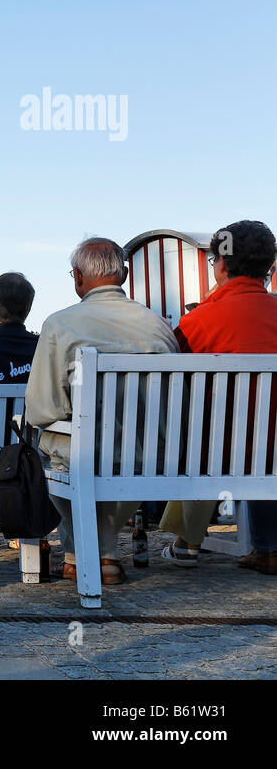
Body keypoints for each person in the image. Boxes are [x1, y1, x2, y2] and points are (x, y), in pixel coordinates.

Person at [25, 237, 178, 585]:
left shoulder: (61, 324)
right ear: (122, 274)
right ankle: (105, 553)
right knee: (114, 450)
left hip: (87, 451)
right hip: (150, 454)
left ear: (78, 277)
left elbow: (41, 409)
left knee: (62, 450)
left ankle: (79, 556)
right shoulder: (157, 325)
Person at [157, 221, 277, 574]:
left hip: (223, 453)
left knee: (208, 434)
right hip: (271, 449)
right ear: (269, 268)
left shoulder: (199, 321)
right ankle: (268, 547)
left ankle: (187, 541)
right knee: (265, 443)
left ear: (222, 265)